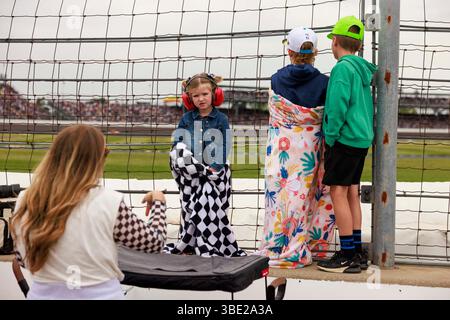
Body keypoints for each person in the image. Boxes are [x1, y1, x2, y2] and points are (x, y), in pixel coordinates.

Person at [11, 124, 168, 299]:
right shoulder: (109, 201)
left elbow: (22, 260)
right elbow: (155, 243)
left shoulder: (25, 199)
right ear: (95, 159)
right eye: (104, 153)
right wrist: (158, 202)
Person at [257, 27, 335, 268]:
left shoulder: (276, 79)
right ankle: (308, 244)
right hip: (309, 149)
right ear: (315, 52)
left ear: (289, 50)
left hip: (282, 148)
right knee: (305, 196)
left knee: (280, 197)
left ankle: (277, 244)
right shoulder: (325, 82)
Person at [317, 16, 377, 274]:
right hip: (360, 139)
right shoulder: (361, 68)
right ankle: (357, 253)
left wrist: (329, 138)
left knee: (338, 193)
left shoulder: (343, 68)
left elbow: (338, 106)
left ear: (335, 42)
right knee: (352, 193)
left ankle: (347, 254)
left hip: (344, 139)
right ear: (359, 45)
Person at [165, 73, 245, 257]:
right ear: (189, 98)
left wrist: (215, 167)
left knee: (213, 209)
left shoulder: (221, 119)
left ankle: (212, 243)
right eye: (195, 96)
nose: (200, 99)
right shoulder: (187, 118)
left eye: (205, 94)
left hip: (214, 172)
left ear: (214, 95)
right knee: (189, 208)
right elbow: (177, 142)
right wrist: (190, 163)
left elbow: (225, 144)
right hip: (193, 175)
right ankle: (189, 244)